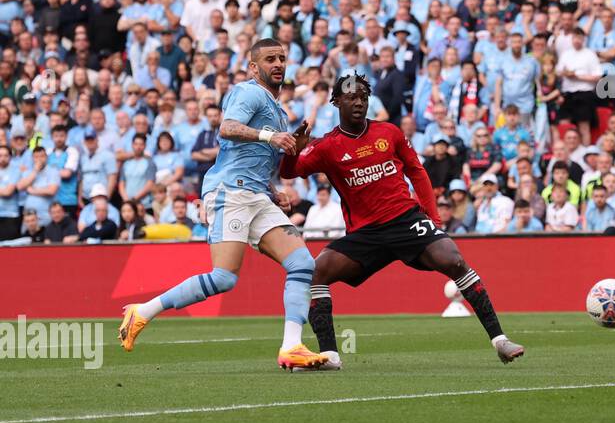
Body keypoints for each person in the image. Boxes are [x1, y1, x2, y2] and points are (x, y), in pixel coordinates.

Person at [279, 71, 524, 366]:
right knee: (317, 272)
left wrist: (433, 219)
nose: (359, 102)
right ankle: (330, 355)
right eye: (351, 97)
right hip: (366, 233)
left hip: (405, 220)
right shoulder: (327, 146)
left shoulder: (389, 133)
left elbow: (417, 172)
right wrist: (295, 149)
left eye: (363, 97)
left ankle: (500, 340)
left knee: (454, 260)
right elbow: (288, 173)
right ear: (336, 102)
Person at [117, 40, 329, 370]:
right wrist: (270, 138)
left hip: (256, 195)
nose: (278, 64)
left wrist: (273, 190)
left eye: (282, 59)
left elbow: (252, 159)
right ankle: (142, 311)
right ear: (253, 67)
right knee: (224, 278)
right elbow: (226, 128)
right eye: (269, 59)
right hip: (230, 192)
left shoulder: (278, 110)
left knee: (303, 263)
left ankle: (292, 346)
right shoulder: (248, 92)